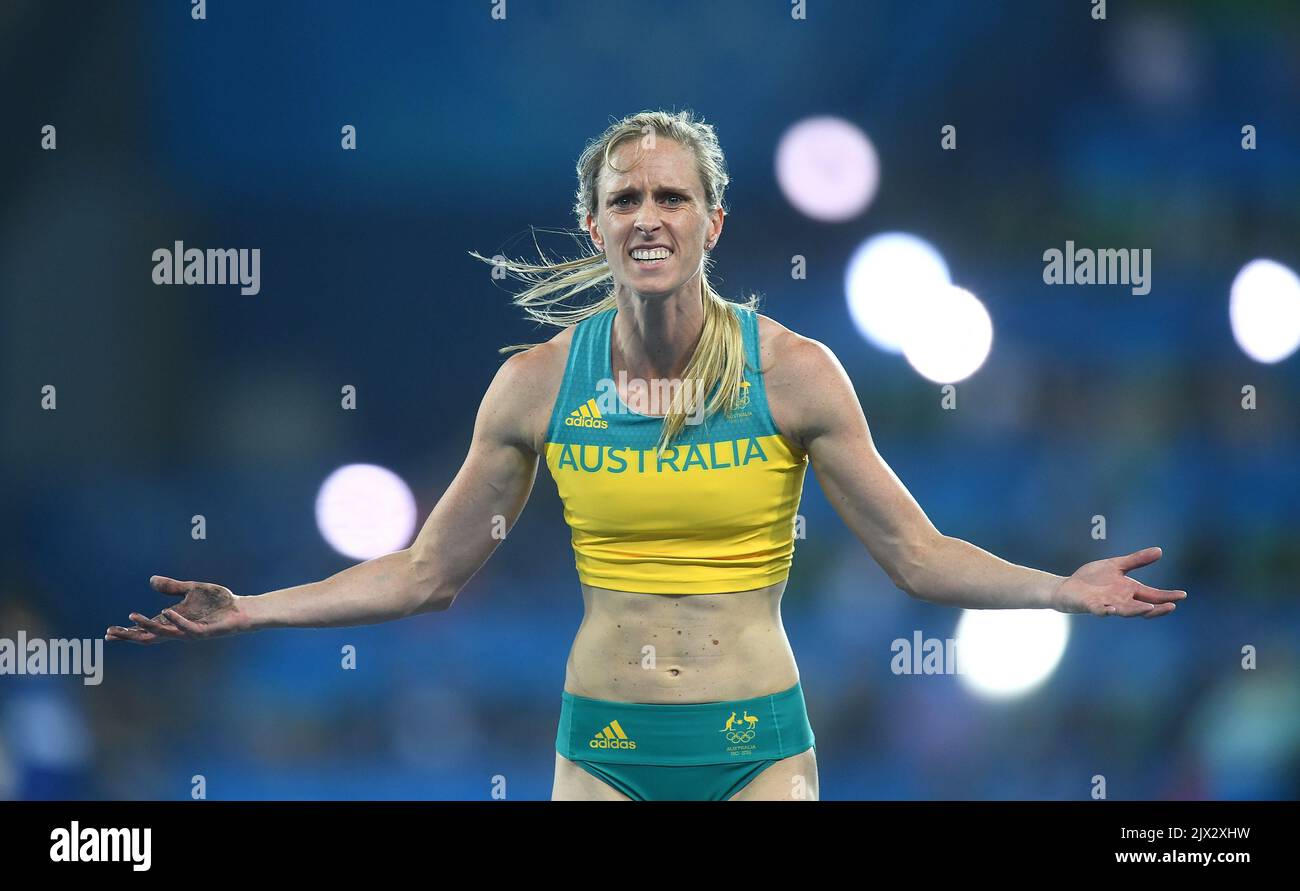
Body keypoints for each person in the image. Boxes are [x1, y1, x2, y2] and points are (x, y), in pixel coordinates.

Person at [107, 109, 1188, 801]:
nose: (649, 213)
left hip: (757, 747)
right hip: (604, 754)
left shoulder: (796, 373)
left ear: (713, 221)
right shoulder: (533, 387)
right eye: (625, 197)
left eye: (672, 195)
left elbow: (916, 555)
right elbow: (424, 576)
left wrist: (1060, 587)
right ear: (594, 227)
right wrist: (255, 607)